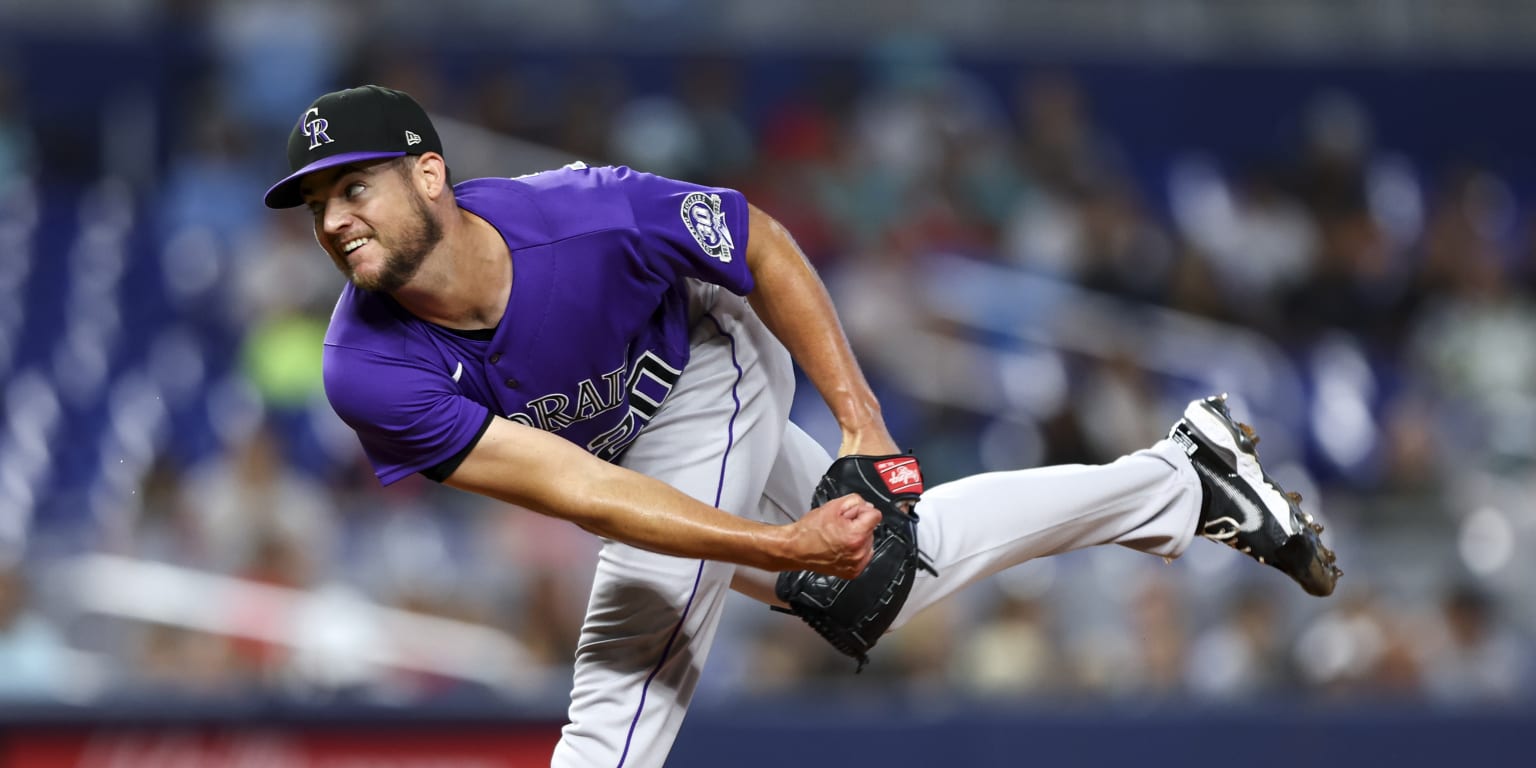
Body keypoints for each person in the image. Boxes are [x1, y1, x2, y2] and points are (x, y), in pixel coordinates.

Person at [262, 85, 1341, 767]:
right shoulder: (366, 366)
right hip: (615, 453)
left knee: (619, 679)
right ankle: (1183, 481)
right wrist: (788, 551)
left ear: (432, 174)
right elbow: (577, 490)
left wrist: (862, 423)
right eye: (317, 206)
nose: (336, 219)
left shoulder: (586, 215)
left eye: (354, 186)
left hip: (708, 360)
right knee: (878, 582)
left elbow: (763, 244)